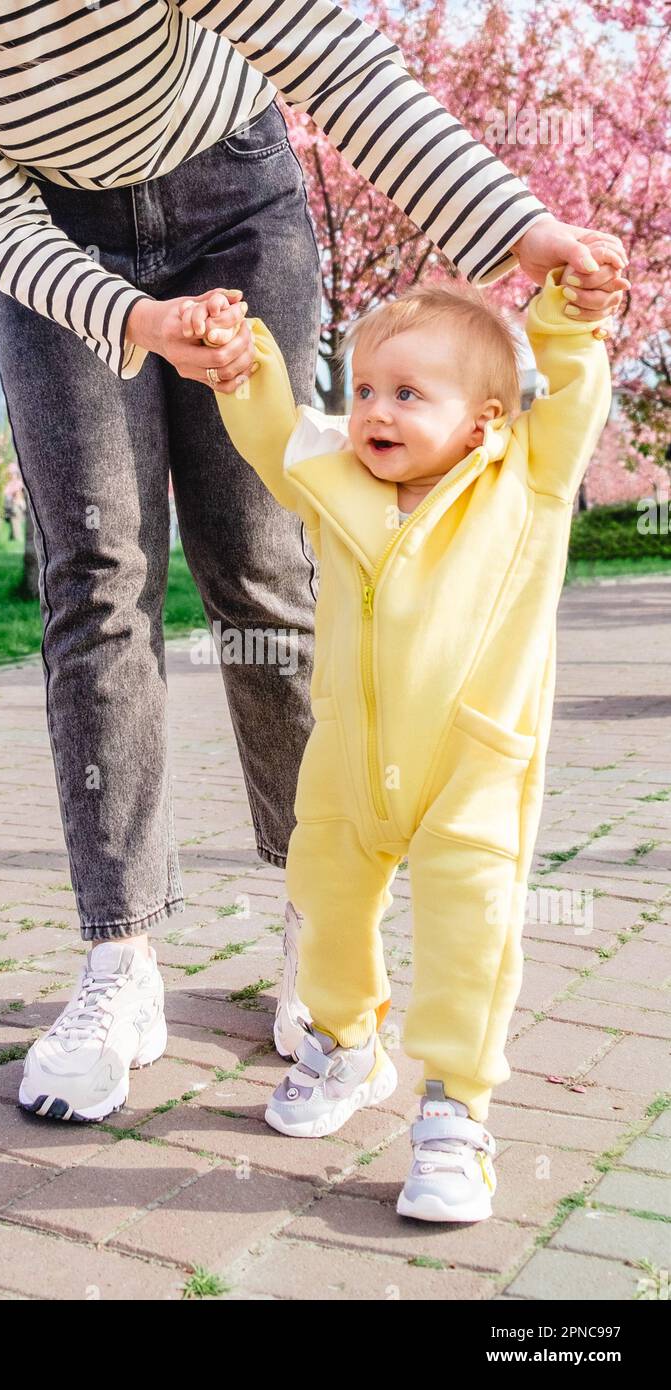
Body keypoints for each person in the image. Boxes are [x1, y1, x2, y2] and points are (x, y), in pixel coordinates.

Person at [0, 1, 626, 1127]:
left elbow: (334, 57)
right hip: (51, 247)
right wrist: (136, 319)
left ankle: (320, 925)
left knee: (265, 561)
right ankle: (120, 957)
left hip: (231, 189)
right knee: (97, 577)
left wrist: (511, 227)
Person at [201, 238, 622, 1222]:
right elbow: (274, 435)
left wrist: (566, 316)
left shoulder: (529, 484)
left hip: (472, 764)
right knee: (328, 909)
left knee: (469, 934)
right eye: (365, 389)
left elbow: (568, 392)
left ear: (483, 421)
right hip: (345, 766)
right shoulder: (337, 480)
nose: (376, 412)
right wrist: (246, 358)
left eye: (407, 394)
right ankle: (345, 1042)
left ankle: (455, 1112)